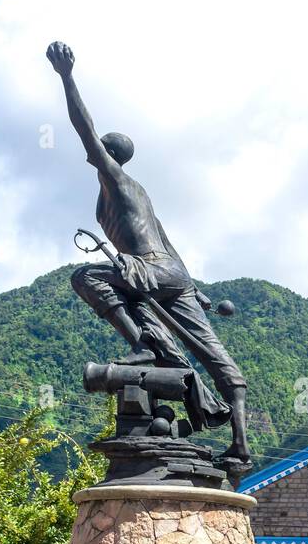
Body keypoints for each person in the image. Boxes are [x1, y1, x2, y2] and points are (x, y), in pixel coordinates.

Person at [46, 40, 250, 470]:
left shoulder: (116, 179)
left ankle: (142, 348)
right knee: (211, 352)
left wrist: (66, 77)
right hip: (171, 271)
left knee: (87, 277)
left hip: (150, 269)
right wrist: (194, 290)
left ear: (108, 155)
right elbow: (169, 244)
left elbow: (83, 127)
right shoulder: (141, 192)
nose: (92, 153)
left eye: (99, 150)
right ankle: (240, 443)